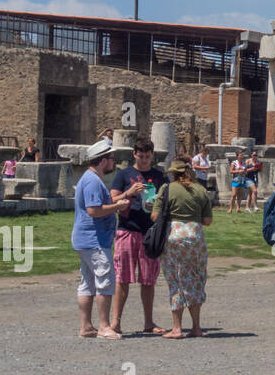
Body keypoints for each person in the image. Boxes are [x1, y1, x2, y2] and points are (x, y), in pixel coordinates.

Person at [108, 135, 166, 335]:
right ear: (134, 154)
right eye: (140, 156)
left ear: (152, 157)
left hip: (150, 231)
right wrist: (129, 192)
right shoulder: (123, 175)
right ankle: (116, 321)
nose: (144, 160)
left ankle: (149, 322)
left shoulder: (160, 177)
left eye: (147, 157)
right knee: (122, 277)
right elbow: (112, 199)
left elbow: (166, 202)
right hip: (127, 229)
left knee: (148, 279)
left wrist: (157, 204)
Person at [152, 156, 212, 338]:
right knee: (195, 279)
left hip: (174, 235)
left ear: (173, 174)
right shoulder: (200, 190)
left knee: (175, 280)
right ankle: (196, 327)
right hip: (195, 236)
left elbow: (155, 216)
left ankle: (177, 328)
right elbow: (207, 220)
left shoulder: (166, 189)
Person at [73, 138, 121, 339]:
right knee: (104, 281)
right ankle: (103, 326)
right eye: (111, 158)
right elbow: (94, 210)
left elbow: (102, 203)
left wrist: (123, 197)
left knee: (88, 282)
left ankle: (86, 326)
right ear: (103, 161)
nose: (113, 162)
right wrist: (118, 207)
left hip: (86, 239)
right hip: (95, 240)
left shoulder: (89, 178)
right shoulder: (93, 181)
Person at [228, 149, 246, 214]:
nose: (242, 156)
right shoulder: (234, 163)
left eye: (242, 155)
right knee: (233, 195)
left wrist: (244, 172)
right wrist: (239, 171)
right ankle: (230, 208)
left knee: (240, 195)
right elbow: (231, 171)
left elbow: (246, 171)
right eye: (241, 155)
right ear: (237, 156)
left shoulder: (244, 163)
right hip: (235, 180)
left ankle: (238, 208)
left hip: (242, 180)